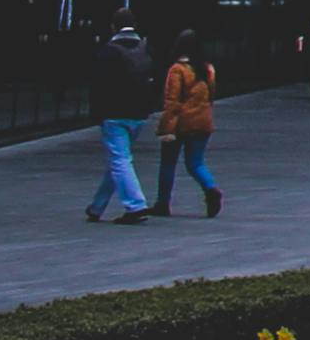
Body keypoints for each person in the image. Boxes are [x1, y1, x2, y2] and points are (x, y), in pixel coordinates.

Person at [82, 17, 156, 220]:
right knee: (119, 160)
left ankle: (135, 204)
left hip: (114, 113)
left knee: (119, 160)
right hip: (138, 114)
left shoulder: (109, 51)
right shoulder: (144, 49)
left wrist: (96, 112)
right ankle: (97, 206)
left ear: (113, 26)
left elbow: (98, 85)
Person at [153, 34, 221, 216]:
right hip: (203, 122)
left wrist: (166, 127)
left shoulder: (177, 69)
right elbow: (211, 96)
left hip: (181, 123)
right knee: (195, 163)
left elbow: (172, 101)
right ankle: (210, 188)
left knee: (168, 163)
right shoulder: (207, 69)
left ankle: (163, 203)